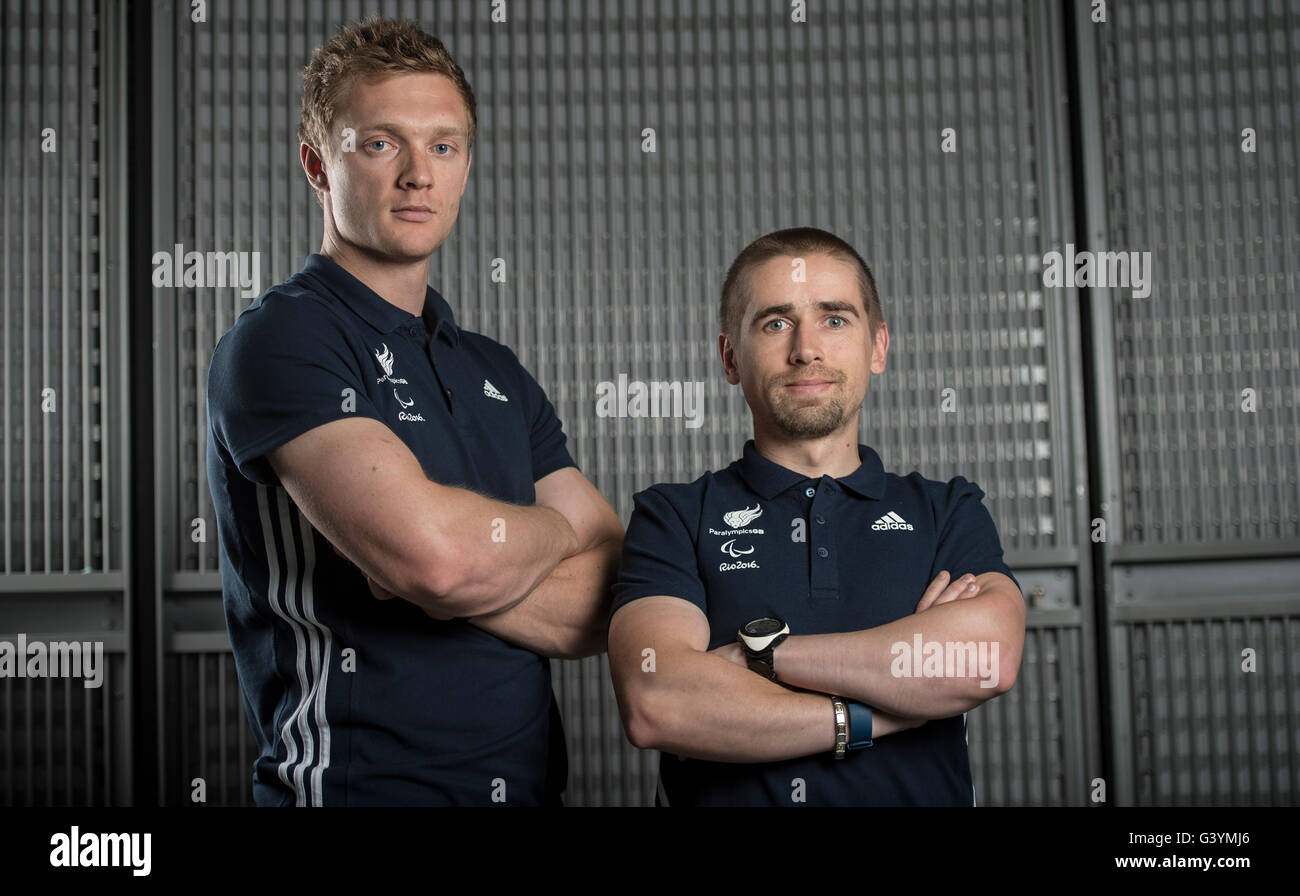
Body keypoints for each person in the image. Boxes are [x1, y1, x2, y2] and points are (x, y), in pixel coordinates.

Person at [205, 17, 622, 806]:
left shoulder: (494, 368)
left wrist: (463, 564)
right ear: (317, 166)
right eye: (380, 143)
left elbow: (605, 600)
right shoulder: (283, 340)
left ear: (465, 166)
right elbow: (433, 561)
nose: (417, 175)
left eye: (444, 145)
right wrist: (502, 549)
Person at [607, 227, 1026, 806]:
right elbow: (659, 702)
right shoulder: (673, 516)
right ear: (730, 357)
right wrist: (882, 710)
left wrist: (758, 655)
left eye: (834, 319)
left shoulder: (946, 509)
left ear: (878, 348)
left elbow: (985, 659)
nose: (807, 348)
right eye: (776, 323)